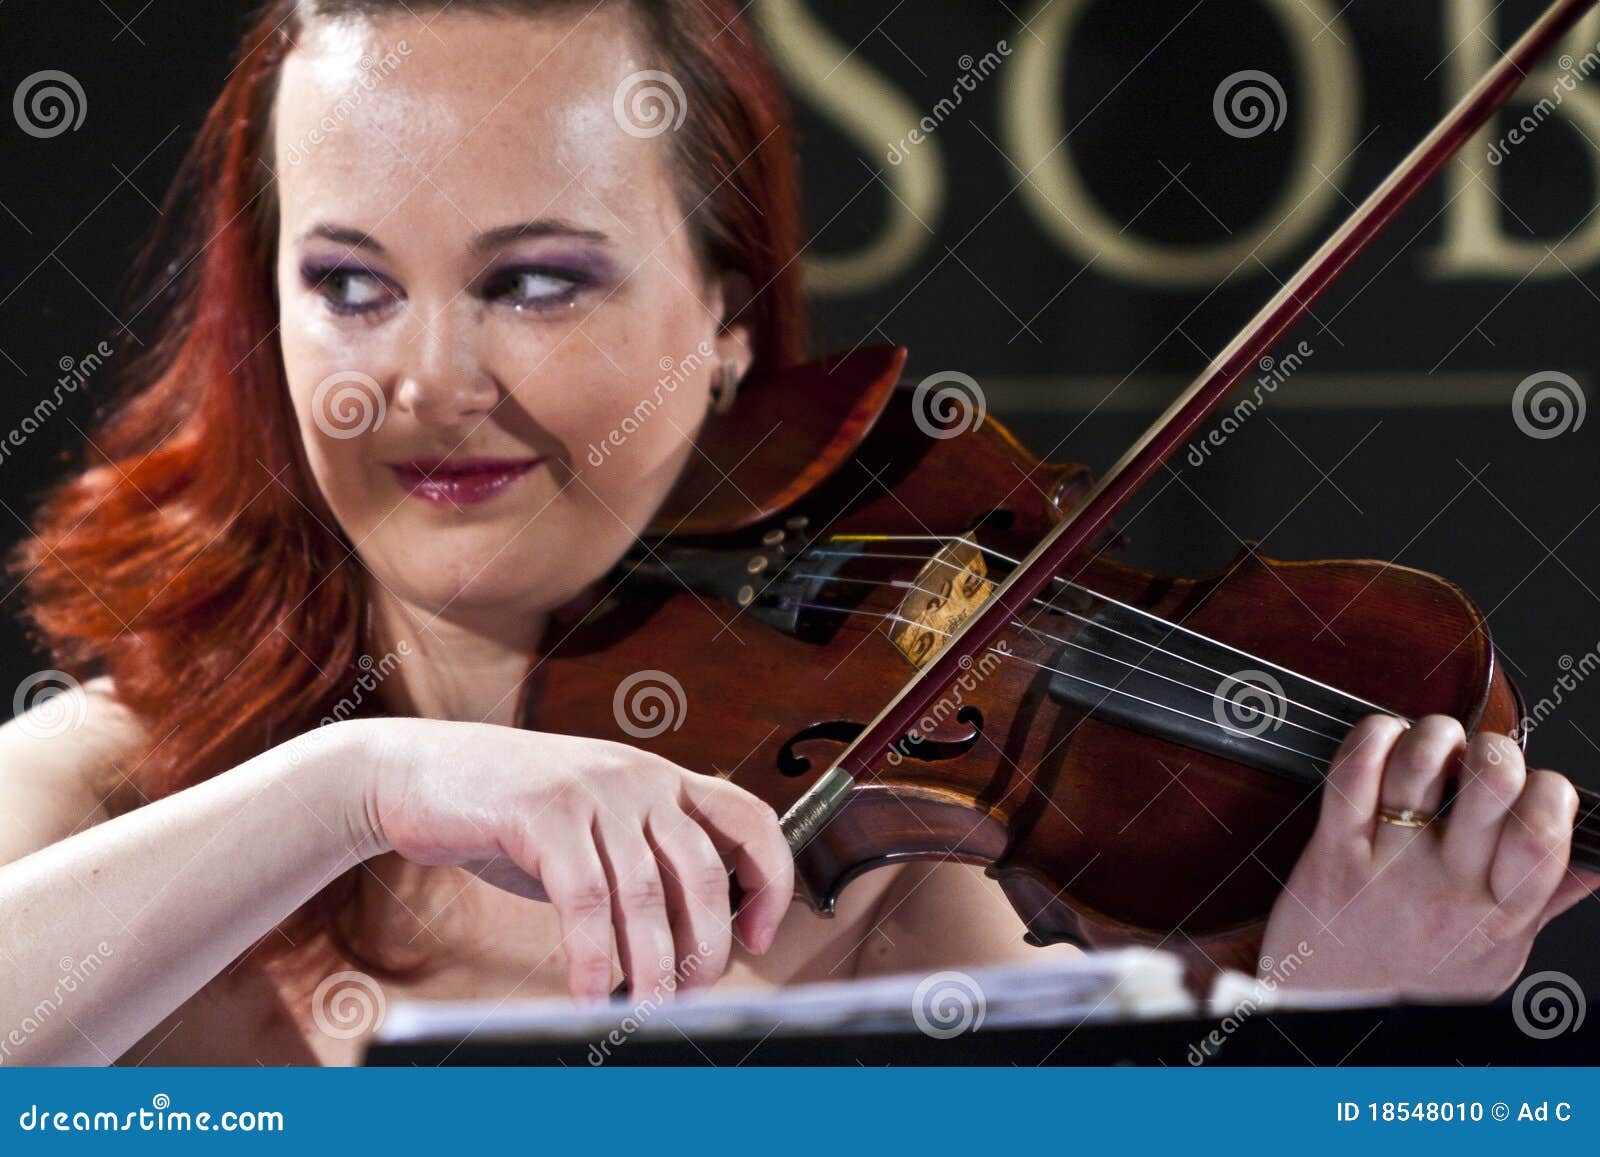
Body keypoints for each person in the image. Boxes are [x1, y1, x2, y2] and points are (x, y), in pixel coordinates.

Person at [0, 0, 1593, 1067]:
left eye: (535, 278)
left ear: (728, 321)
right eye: (347, 285)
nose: (425, 380)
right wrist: (353, 786)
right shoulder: (106, 785)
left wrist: (1318, 1012)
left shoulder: (877, 897)